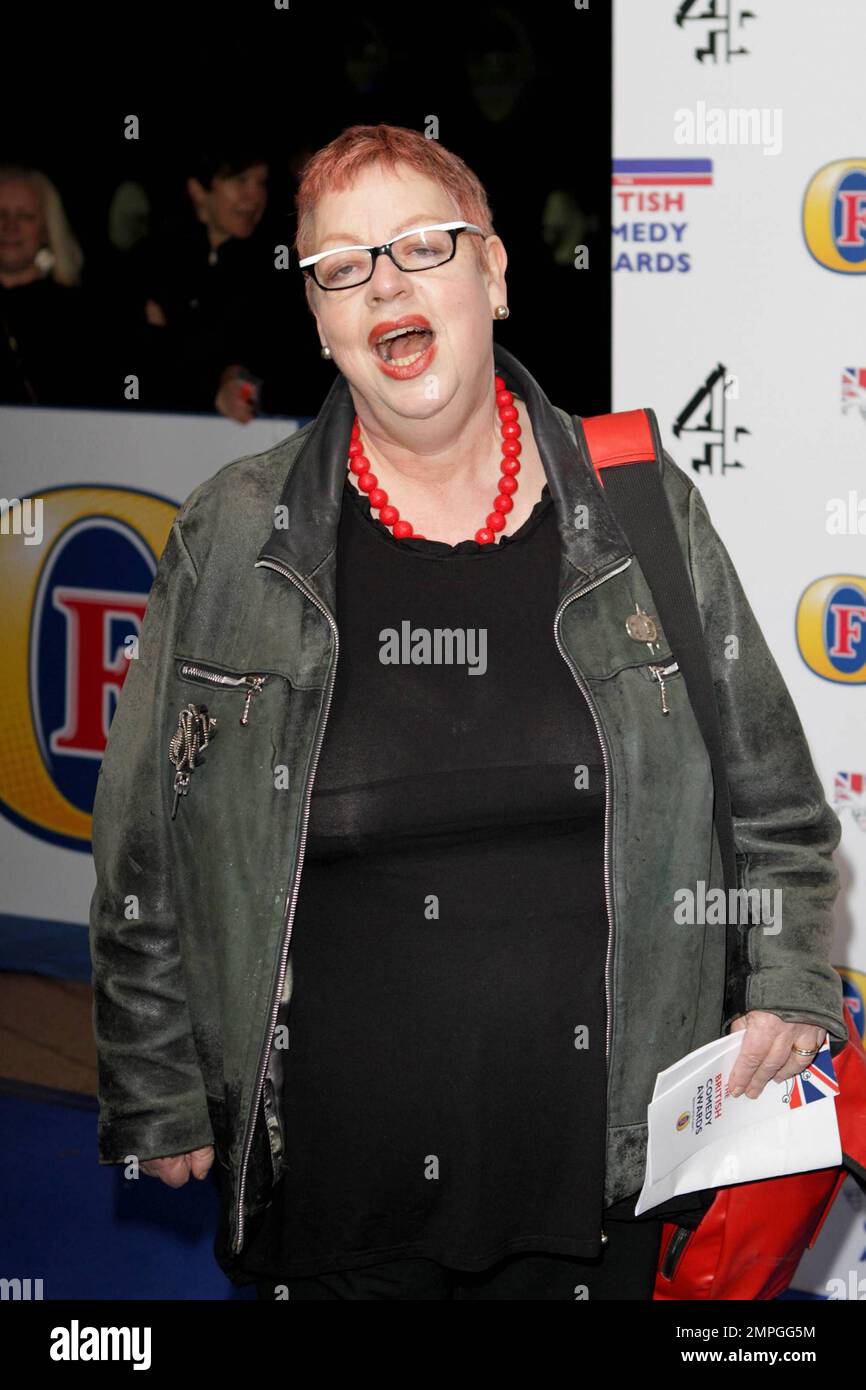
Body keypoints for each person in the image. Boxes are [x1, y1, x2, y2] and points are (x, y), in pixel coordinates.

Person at [88, 123, 848, 1302]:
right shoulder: (233, 533)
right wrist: (153, 1075)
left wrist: (790, 983)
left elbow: (779, 810)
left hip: (600, 1193)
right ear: (320, 318)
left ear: (491, 273)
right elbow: (144, 845)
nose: (383, 281)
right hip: (331, 1198)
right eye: (340, 265)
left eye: (420, 246)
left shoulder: (640, 507)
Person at [0, 164, 107, 407]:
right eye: (1, 214)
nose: (10, 226)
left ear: (47, 229)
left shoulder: (80, 316)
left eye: (25, 216)